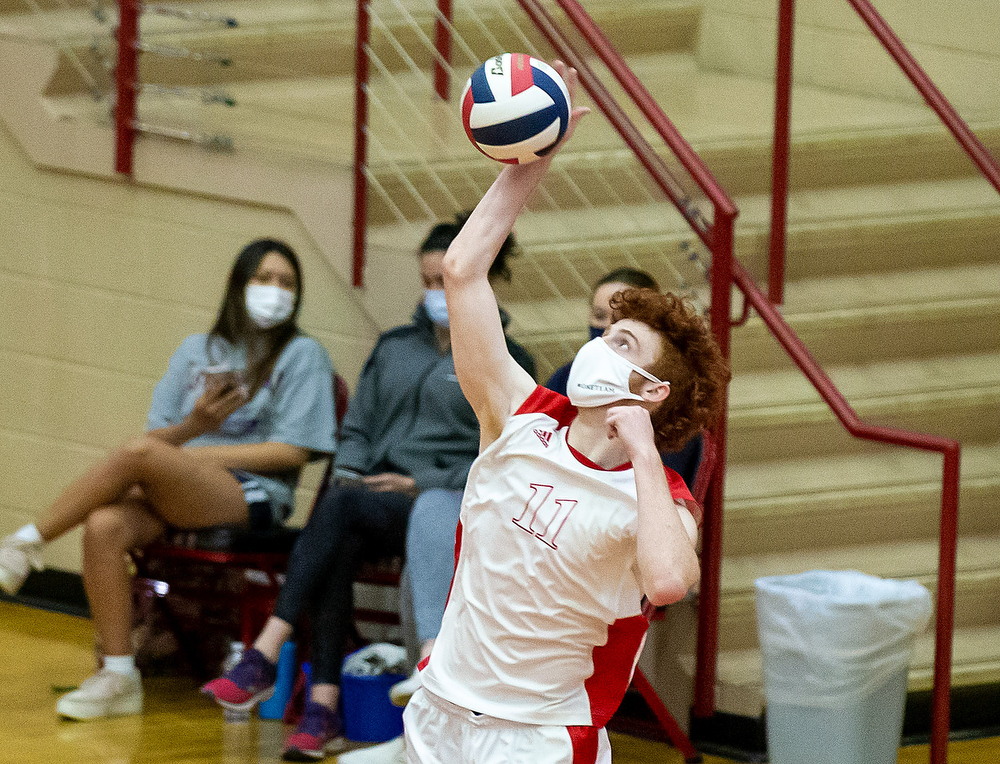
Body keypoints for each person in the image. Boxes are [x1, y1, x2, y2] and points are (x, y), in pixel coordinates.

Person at [403, 61, 731, 764]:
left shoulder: (659, 499)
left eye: (620, 342)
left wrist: (644, 451)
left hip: (537, 741)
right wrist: (530, 164)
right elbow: (463, 270)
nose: (597, 347)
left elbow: (670, 580)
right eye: (603, 332)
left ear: (650, 390)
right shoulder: (519, 414)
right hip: (436, 714)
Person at [201, 214, 535, 762]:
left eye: (444, 281)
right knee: (340, 523)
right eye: (427, 282)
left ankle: (271, 656)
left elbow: (503, 458)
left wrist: (420, 480)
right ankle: (322, 708)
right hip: (367, 500)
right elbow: (355, 428)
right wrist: (353, 472)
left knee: (337, 512)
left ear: (480, 279)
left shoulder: (508, 360)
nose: (435, 293)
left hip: (440, 503)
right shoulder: (394, 346)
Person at [0, 238, 337, 721]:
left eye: (287, 283)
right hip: (175, 485)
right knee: (103, 526)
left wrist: (196, 457)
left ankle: (24, 544)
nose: (275, 291)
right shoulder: (195, 351)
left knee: (139, 456)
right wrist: (194, 427)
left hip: (252, 495)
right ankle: (119, 675)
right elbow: (159, 436)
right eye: (264, 279)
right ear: (238, 285)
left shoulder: (303, 355)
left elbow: (292, 449)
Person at [547, 267, 704, 492]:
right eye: (600, 317)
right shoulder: (565, 377)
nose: (603, 338)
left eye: (623, 341)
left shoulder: (671, 420)